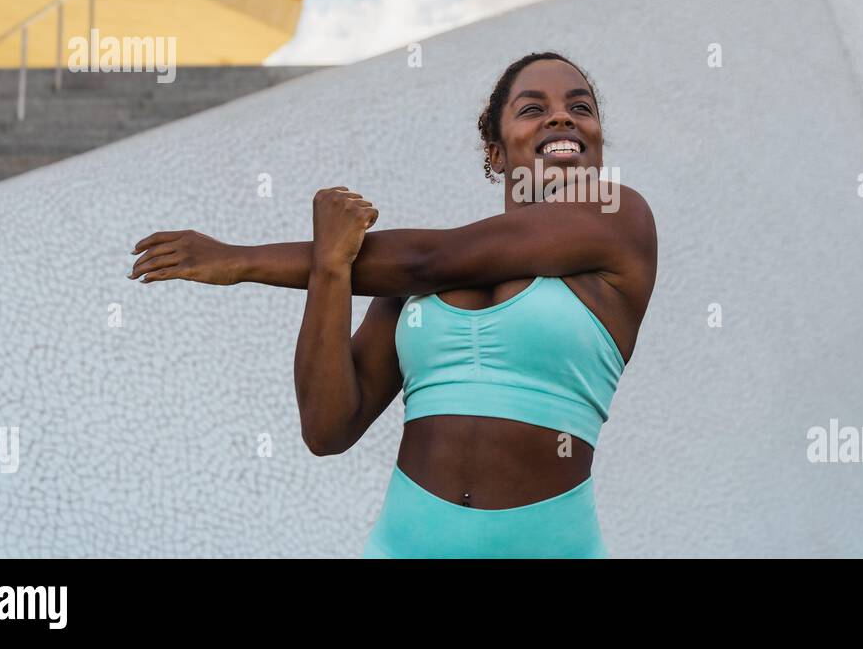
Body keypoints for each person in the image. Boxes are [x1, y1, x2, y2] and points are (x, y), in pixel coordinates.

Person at [129, 52, 658, 557]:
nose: (561, 117)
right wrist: (330, 268)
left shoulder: (621, 218)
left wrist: (242, 260)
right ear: (495, 152)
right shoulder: (410, 276)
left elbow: (430, 258)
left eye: (580, 107)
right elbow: (328, 428)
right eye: (533, 109)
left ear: (598, 140)